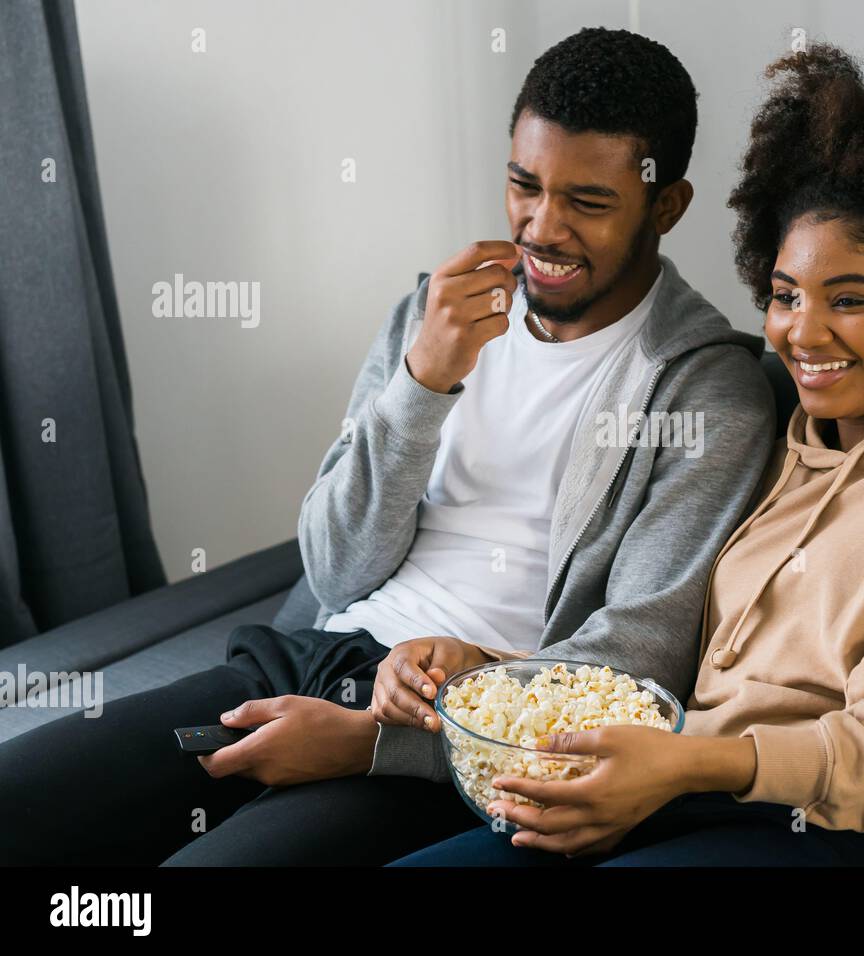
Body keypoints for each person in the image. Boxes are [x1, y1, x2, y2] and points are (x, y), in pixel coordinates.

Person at [0, 28, 774, 866]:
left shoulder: (707, 390)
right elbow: (332, 569)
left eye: (587, 203)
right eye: (523, 185)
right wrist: (422, 383)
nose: (540, 229)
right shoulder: (433, 313)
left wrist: (400, 719)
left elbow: (638, 655)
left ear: (666, 205)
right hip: (300, 664)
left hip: (456, 733)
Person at [389, 43, 864, 868]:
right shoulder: (789, 449)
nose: (802, 332)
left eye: (850, 299)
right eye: (786, 295)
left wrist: (698, 762)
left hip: (827, 830)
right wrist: (490, 669)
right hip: (677, 787)